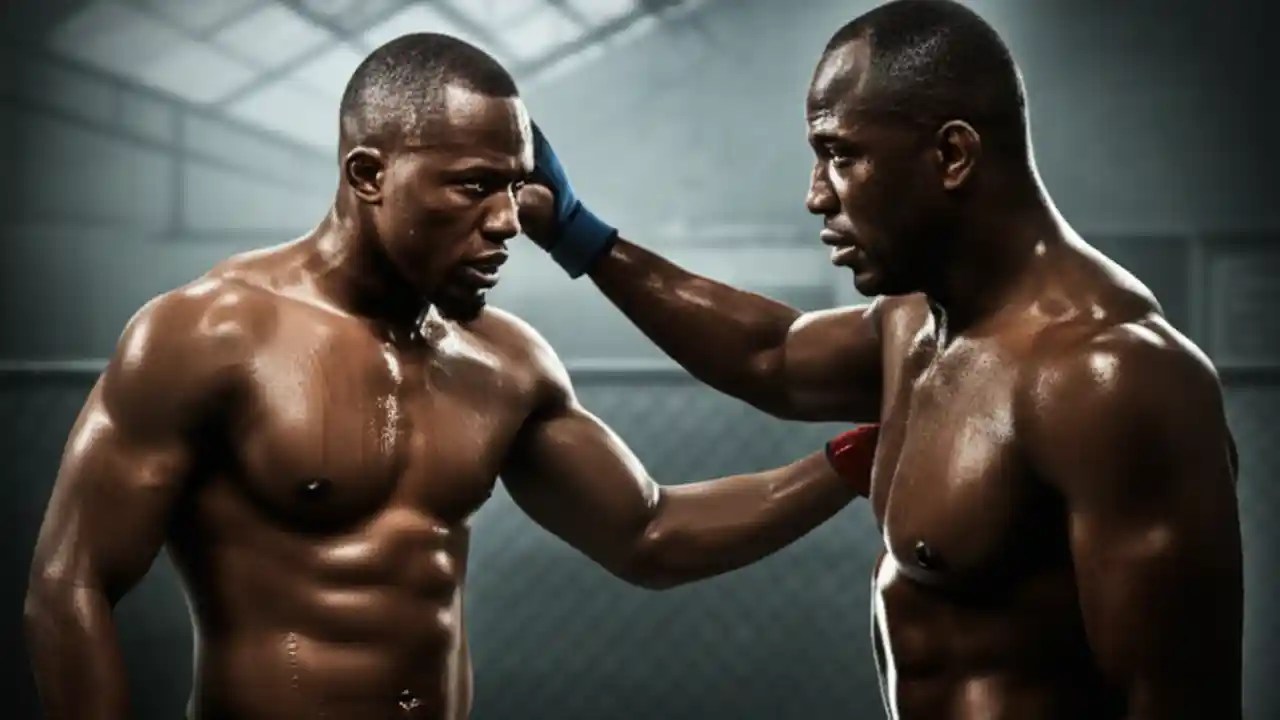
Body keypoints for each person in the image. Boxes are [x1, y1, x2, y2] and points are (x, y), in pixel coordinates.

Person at [22, 34, 880, 720]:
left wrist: (848, 461)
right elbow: (70, 585)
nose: (509, 220)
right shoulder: (207, 333)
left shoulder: (504, 360)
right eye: (474, 187)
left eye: (514, 186)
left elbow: (649, 535)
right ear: (369, 175)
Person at [518, 1, 1243, 717]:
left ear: (952, 154)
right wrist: (577, 234)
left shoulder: (1107, 378)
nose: (814, 196)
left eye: (841, 154)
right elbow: (768, 355)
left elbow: (1179, 701)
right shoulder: (914, 322)